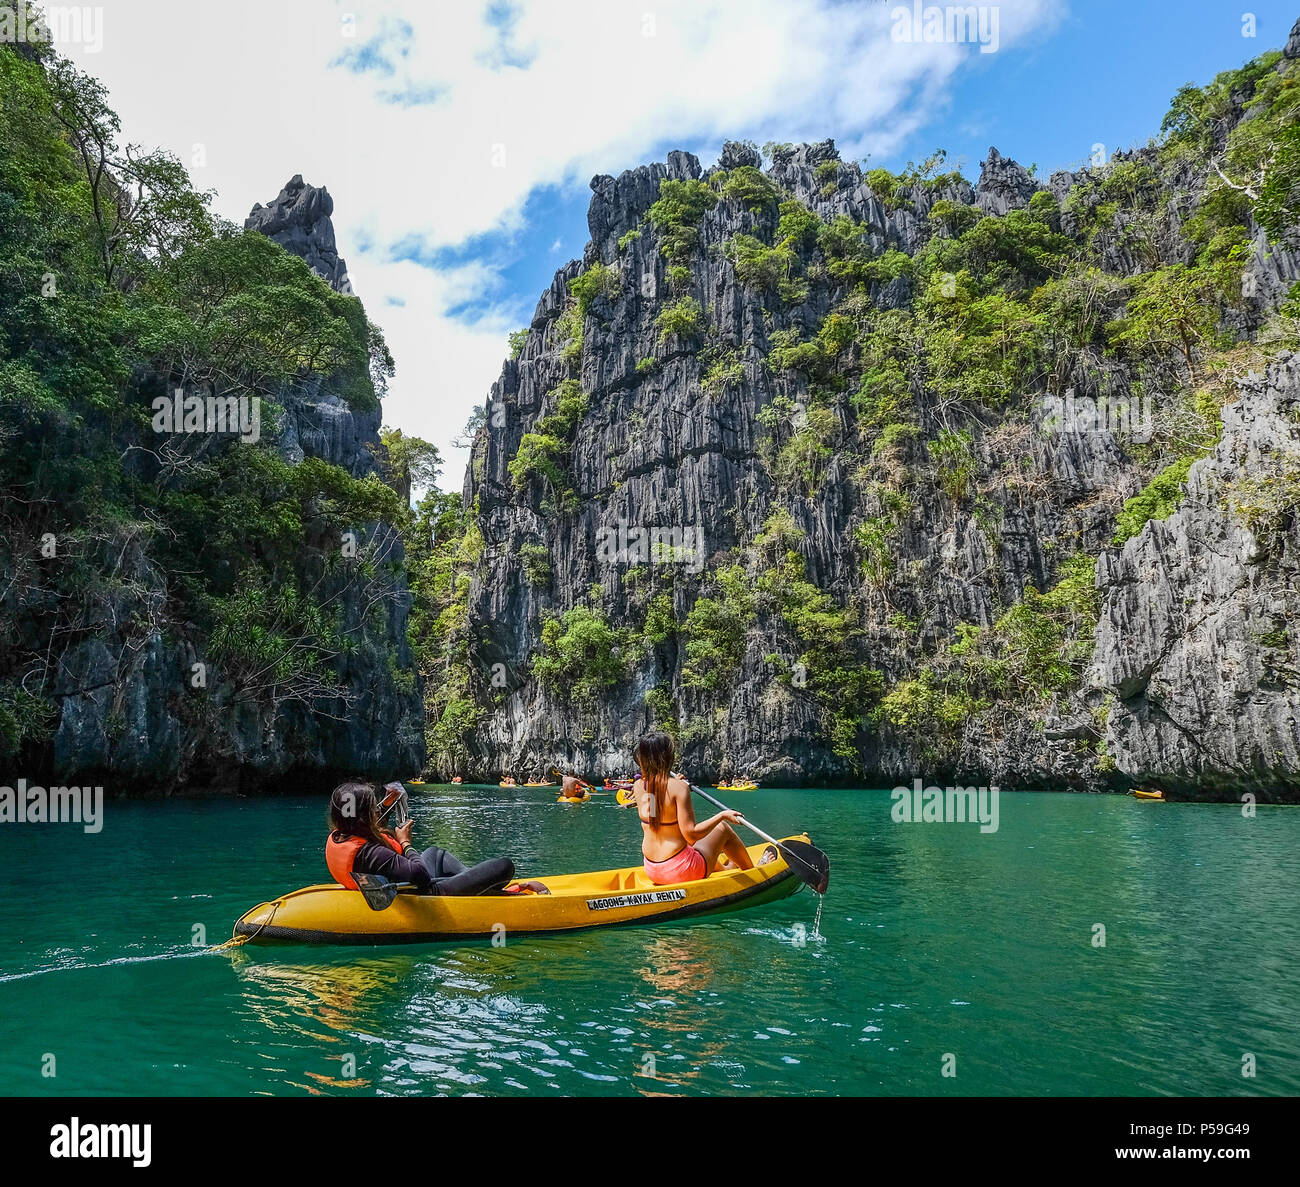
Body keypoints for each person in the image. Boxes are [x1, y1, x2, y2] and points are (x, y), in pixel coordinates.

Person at [326, 781, 546, 895]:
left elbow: (370, 829)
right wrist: (405, 842)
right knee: (504, 866)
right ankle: (498, 891)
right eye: (372, 807)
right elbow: (420, 876)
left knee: (434, 854)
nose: (376, 810)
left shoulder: (341, 835)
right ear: (364, 816)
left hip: (401, 880)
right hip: (424, 892)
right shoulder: (371, 854)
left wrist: (387, 805)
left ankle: (477, 885)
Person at [632, 732, 754, 886]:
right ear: (668, 757)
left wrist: (675, 783)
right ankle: (753, 873)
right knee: (722, 828)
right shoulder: (679, 788)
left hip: (652, 869)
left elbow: (659, 808)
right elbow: (691, 835)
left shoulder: (638, 786)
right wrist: (722, 815)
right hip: (680, 870)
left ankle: (724, 869)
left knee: (690, 844)